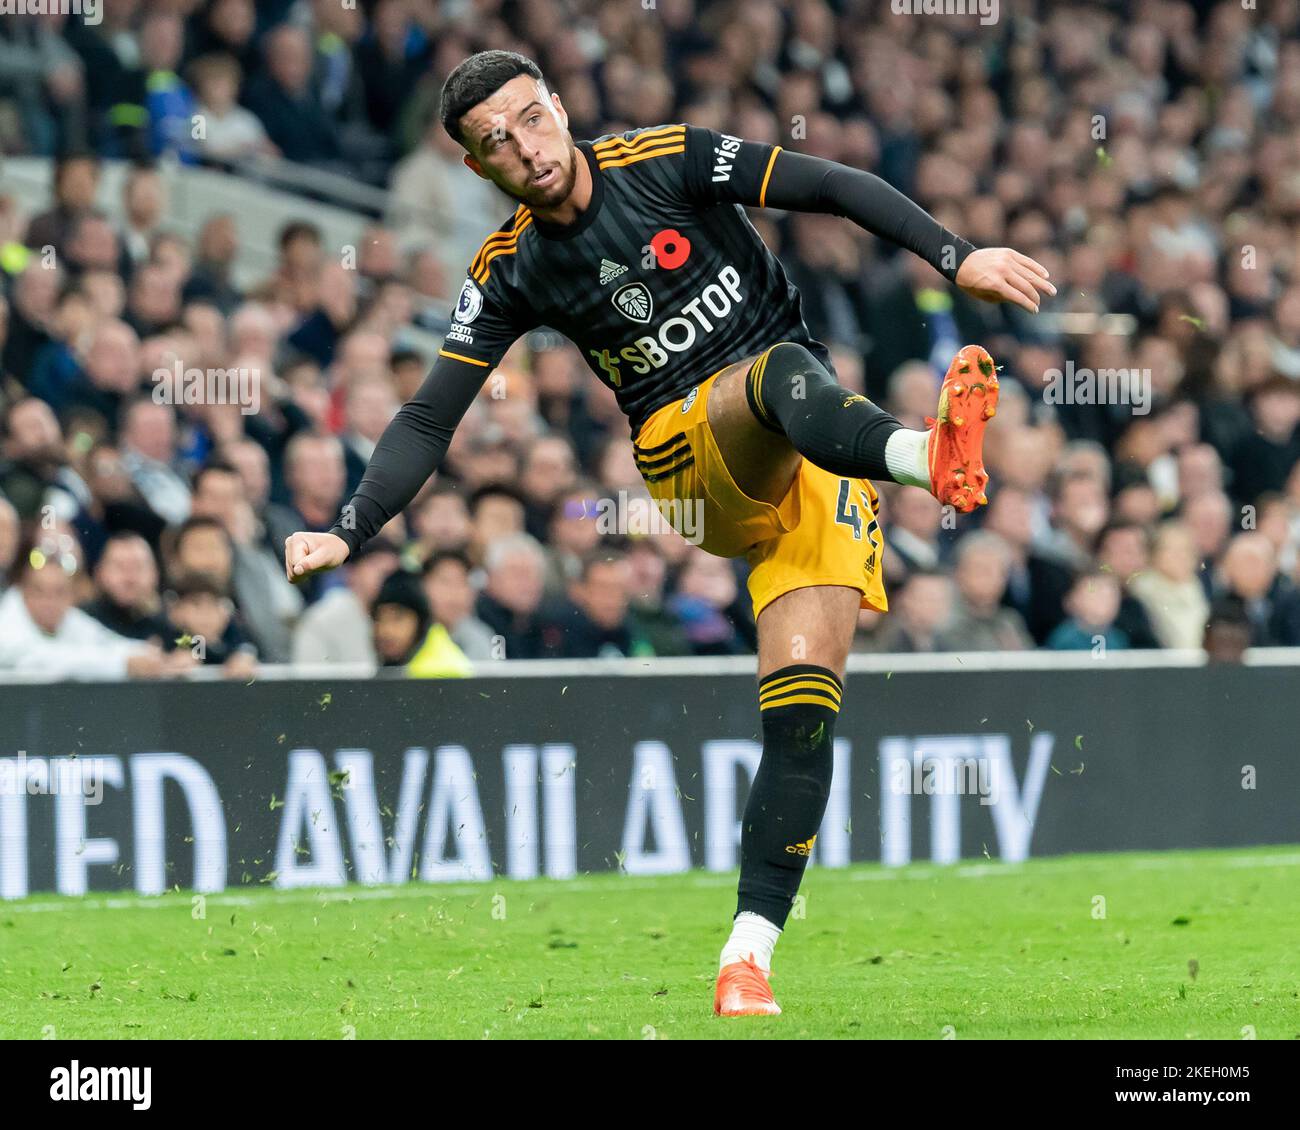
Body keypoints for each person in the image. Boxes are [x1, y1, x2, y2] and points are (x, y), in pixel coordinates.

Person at [282, 50, 1052, 1019]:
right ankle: (924, 456)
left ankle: (746, 957)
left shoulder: (669, 158)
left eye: (528, 119)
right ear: (478, 169)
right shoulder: (510, 266)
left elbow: (831, 184)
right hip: (690, 466)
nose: (523, 149)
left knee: (802, 714)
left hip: (815, 454)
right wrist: (350, 527)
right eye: (495, 145)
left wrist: (956, 254)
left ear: (557, 107)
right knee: (774, 376)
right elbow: (431, 417)